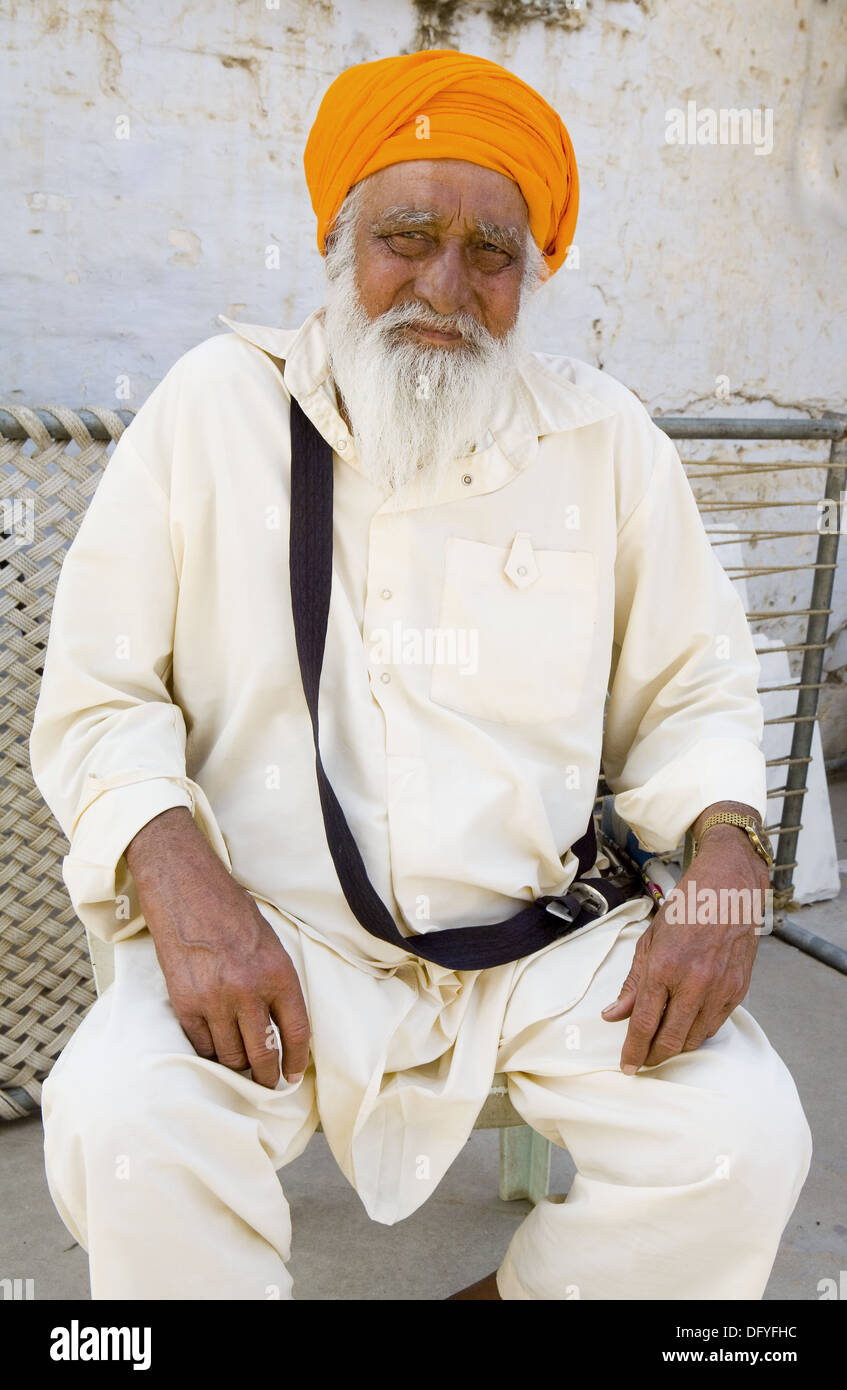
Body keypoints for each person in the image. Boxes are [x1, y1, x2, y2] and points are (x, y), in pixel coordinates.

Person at [30, 48, 811, 1301]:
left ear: (531, 273)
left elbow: (695, 690)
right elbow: (100, 691)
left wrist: (725, 862)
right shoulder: (213, 410)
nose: (444, 287)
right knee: (120, 1125)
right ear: (336, 243)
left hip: (534, 949)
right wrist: (176, 879)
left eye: (491, 254)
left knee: (742, 1140)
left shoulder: (602, 438)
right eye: (407, 236)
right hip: (269, 928)